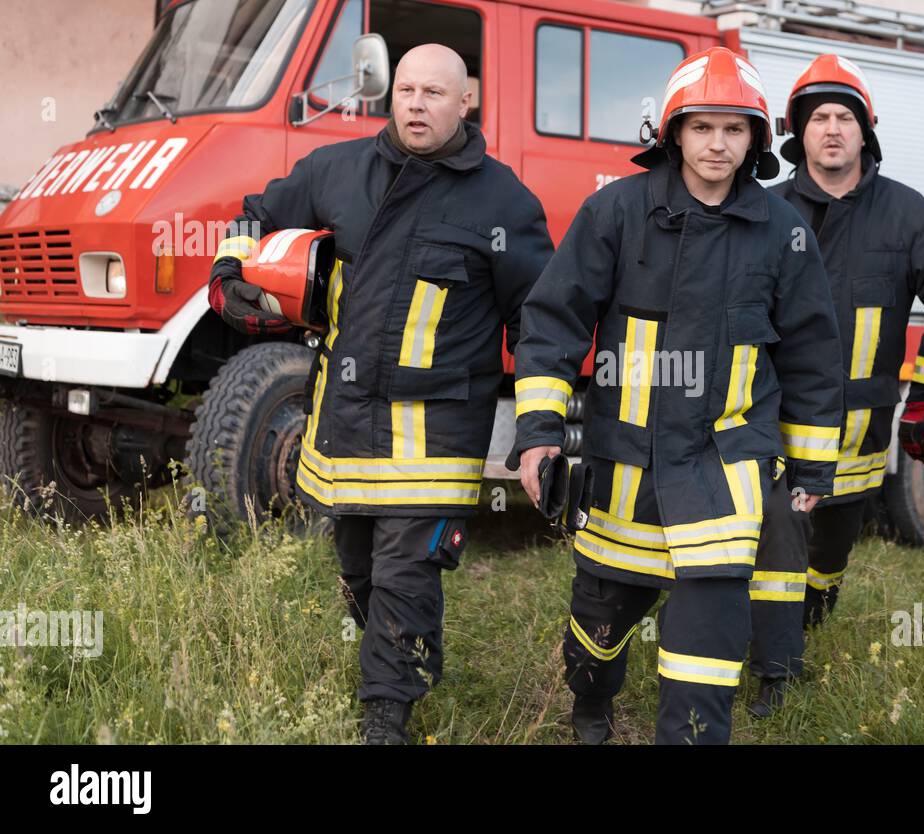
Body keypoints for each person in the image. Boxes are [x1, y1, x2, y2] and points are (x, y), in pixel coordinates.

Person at [206, 45, 554, 742]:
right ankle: (407, 659)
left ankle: (386, 714)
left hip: (436, 434)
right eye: (406, 90)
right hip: (344, 422)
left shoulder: (505, 203)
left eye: (434, 93)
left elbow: (540, 320)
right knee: (360, 571)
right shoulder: (334, 170)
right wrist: (229, 272)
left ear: (466, 103)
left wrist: (540, 425)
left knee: (406, 572)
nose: (416, 104)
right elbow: (256, 217)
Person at [511, 47, 843, 744]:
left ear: (756, 139)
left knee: (706, 652)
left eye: (734, 129)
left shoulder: (783, 232)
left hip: (727, 468)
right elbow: (553, 320)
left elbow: (812, 356)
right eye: (702, 128)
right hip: (626, 467)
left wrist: (812, 468)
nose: (718, 144)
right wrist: (539, 430)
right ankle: (591, 704)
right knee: (597, 635)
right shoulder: (615, 211)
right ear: (673, 133)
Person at [749, 54, 924, 716]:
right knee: (778, 541)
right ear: (798, 131)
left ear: (865, 131)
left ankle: (809, 616)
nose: (832, 129)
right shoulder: (766, 212)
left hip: (860, 438)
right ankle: (773, 672)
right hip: (776, 429)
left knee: (828, 556)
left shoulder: (908, 216)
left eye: (844, 118)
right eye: (819, 118)